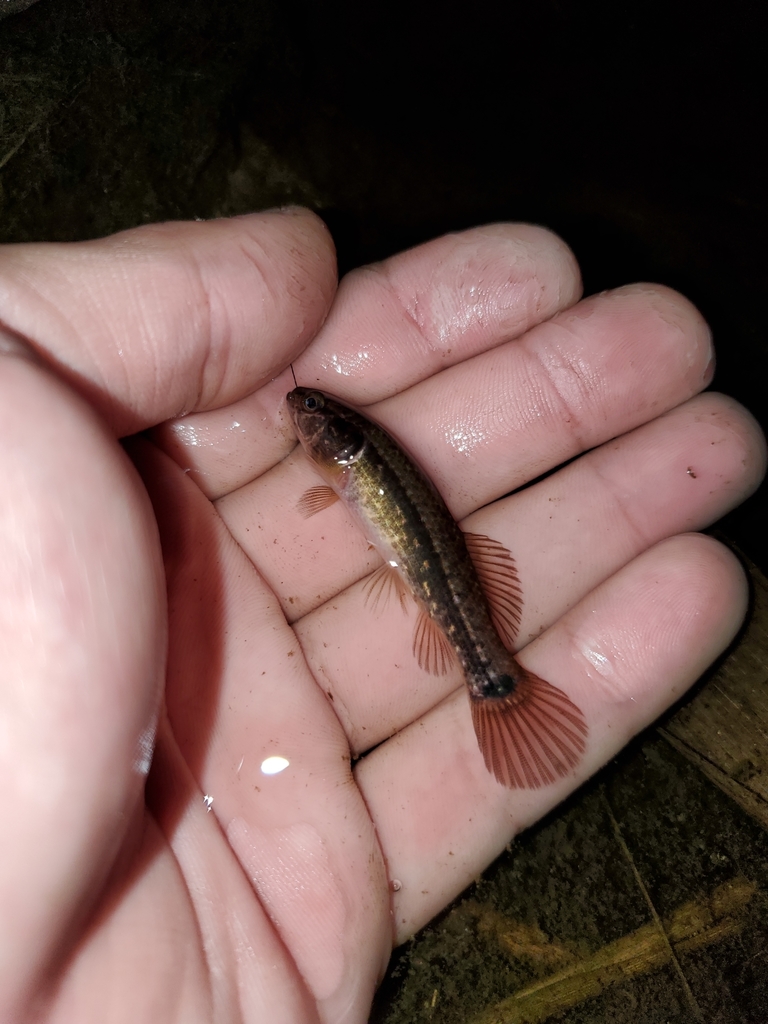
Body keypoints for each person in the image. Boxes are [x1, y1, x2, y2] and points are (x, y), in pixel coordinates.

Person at [0, 207, 763, 1023]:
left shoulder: (355, 464)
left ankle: (493, 683)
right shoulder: (349, 466)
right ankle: (491, 679)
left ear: (339, 446)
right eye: (315, 418)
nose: (306, 420)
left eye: (317, 421)